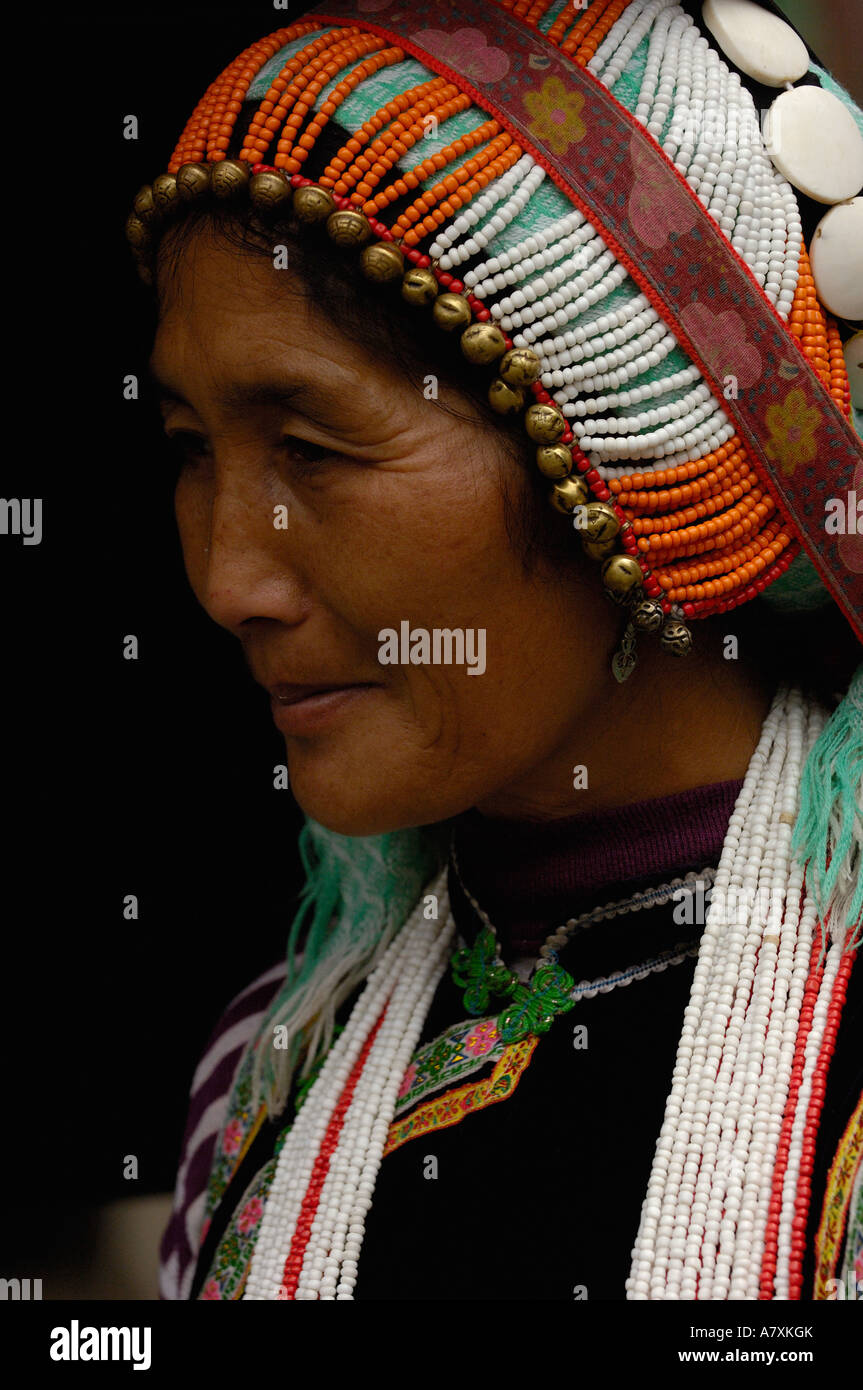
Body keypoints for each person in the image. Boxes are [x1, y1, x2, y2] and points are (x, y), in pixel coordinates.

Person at [126, 0, 862, 1301]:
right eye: (192, 449)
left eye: (312, 450)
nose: (227, 577)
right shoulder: (261, 1075)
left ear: (626, 450)